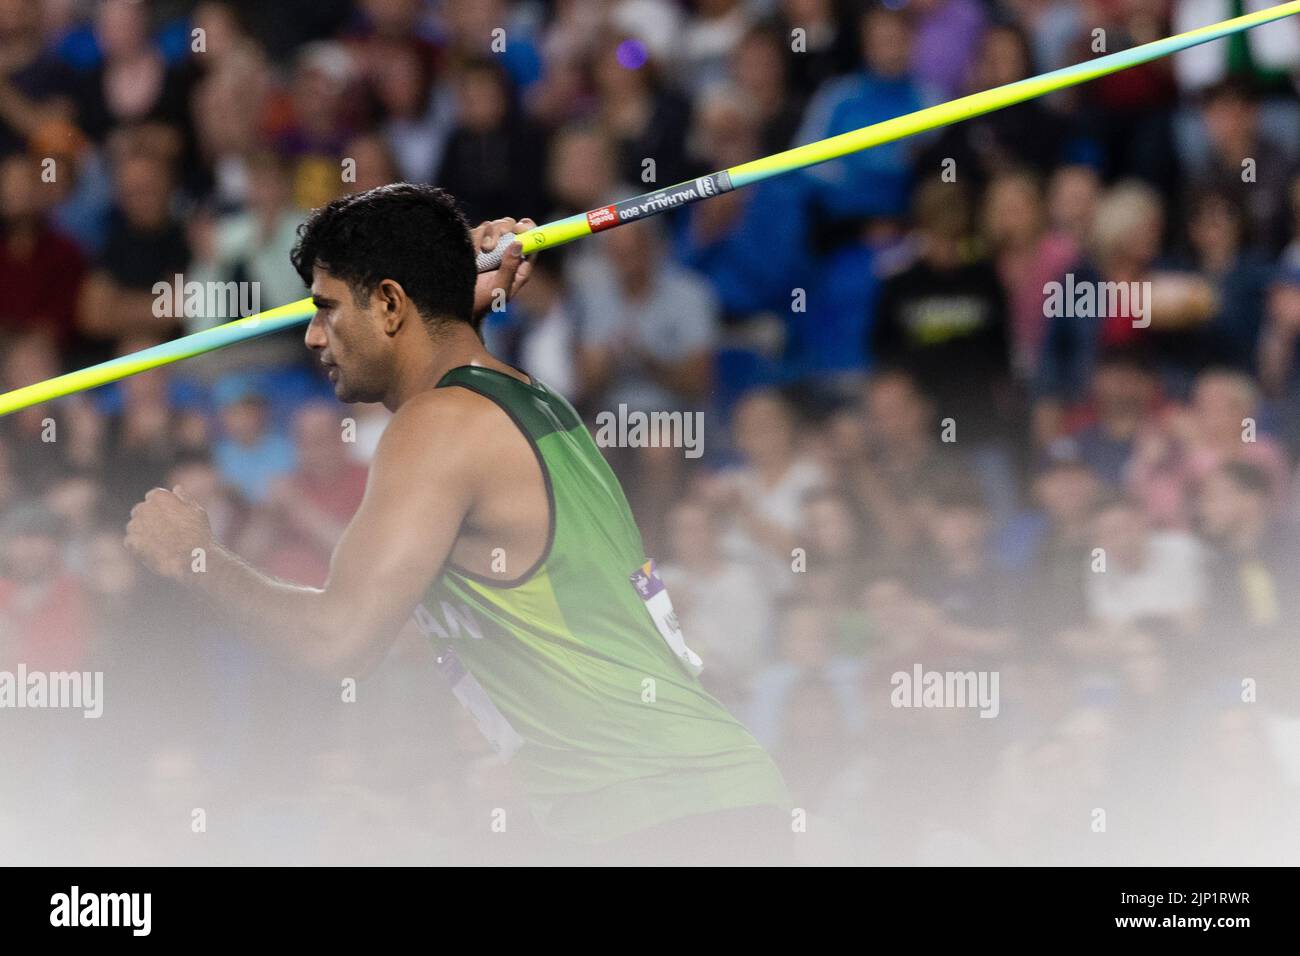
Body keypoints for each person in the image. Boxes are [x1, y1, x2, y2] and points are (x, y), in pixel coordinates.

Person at [122, 183, 790, 863]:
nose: (313, 335)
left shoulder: (437, 428)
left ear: (388, 304)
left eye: (326, 308)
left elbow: (337, 640)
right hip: (691, 806)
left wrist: (196, 559)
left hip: (661, 820)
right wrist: (440, 297)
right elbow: (441, 352)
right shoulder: (519, 396)